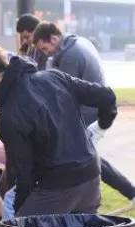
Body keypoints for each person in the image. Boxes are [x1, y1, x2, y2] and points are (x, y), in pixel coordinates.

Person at [0, 42, 117, 217]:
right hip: (90, 175)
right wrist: (100, 128)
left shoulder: (9, 117)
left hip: (57, 187)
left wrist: (18, 215)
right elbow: (107, 97)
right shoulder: (54, 77)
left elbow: (24, 175)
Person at [32, 21, 135, 202]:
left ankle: (128, 192)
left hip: (88, 113)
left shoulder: (69, 57)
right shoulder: (77, 42)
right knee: (87, 159)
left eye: (44, 47)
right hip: (94, 109)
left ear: (54, 38)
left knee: (86, 160)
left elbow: (63, 96)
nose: (45, 52)